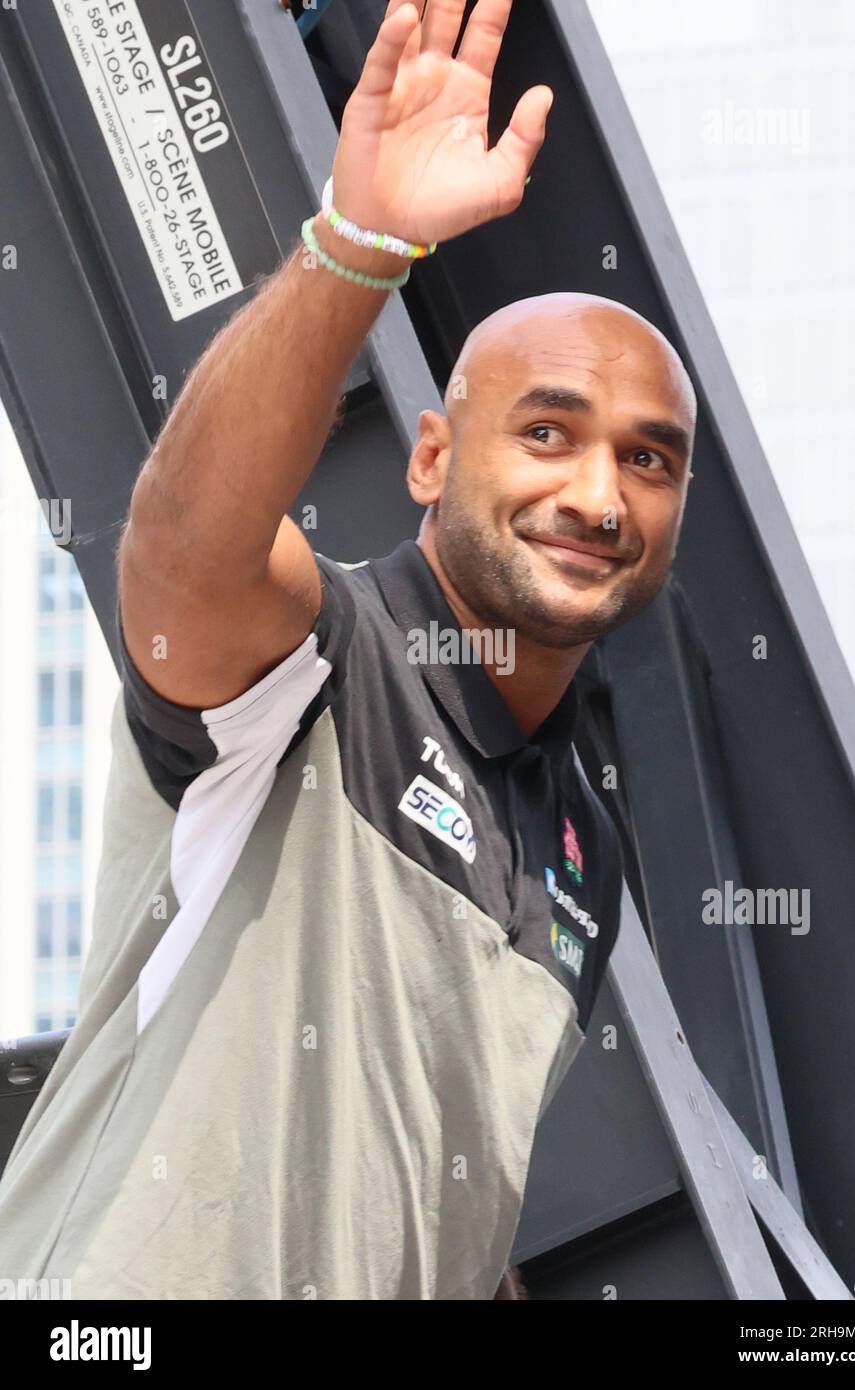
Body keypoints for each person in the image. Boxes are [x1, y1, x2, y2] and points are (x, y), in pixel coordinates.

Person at [0, 0, 695, 1299]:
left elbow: (444, 1197)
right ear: (429, 456)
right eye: (546, 433)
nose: (601, 496)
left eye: (646, 460)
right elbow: (185, 547)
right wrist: (361, 241)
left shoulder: (584, 853)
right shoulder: (313, 666)